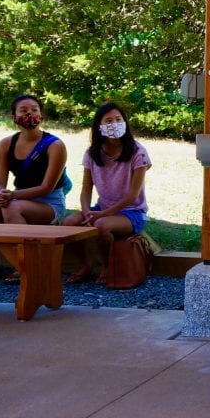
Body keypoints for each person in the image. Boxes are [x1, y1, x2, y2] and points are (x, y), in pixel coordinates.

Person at [0, 93, 71, 281]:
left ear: (41, 116)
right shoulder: (5, 144)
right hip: (18, 198)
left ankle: (26, 266)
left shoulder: (55, 145)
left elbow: (46, 187)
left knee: (12, 207)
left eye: (34, 110)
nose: (29, 114)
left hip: (49, 203)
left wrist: (12, 196)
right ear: (14, 117)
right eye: (24, 110)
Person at [63, 102, 152, 284]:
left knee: (102, 225)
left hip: (132, 212)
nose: (114, 124)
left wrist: (103, 214)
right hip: (102, 208)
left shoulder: (138, 152)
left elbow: (132, 195)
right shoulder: (92, 153)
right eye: (109, 121)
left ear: (125, 123)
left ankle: (107, 266)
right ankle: (85, 264)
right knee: (69, 222)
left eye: (118, 119)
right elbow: (86, 189)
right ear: (99, 126)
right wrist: (87, 211)